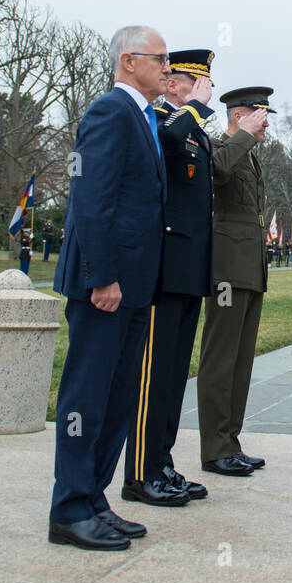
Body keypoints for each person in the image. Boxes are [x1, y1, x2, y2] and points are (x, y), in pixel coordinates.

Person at [48, 25, 170, 551]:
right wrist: (103, 277)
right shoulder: (109, 111)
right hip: (107, 285)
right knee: (87, 398)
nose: (168, 67)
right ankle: (69, 509)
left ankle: (94, 500)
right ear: (128, 61)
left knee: (118, 400)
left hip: (135, 287)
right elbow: (91, 202)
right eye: (160, 58)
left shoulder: (143, 117)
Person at [124, 49, 216, 507]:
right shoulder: (159, 119)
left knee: (175, 376)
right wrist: (192, 109)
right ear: (173, 84)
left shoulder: (194, 131)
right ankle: (139, 472)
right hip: (162, 269)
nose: (204, 92)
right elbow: (160, 145)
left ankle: (161, 462)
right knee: (152, 376)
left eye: (206, 86)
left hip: (188, 271)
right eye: (194, 84)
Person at [197, 86, 272, 477]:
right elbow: (218, 171)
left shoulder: (251, 158)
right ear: (239, 117)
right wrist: (244, 134)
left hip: (249, 270)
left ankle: (230, 443)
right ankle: (214, 448)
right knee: (220, 360)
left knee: (240, 362)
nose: (266, 126)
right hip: (227, 270)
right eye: (260, 118)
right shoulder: (219, 146)